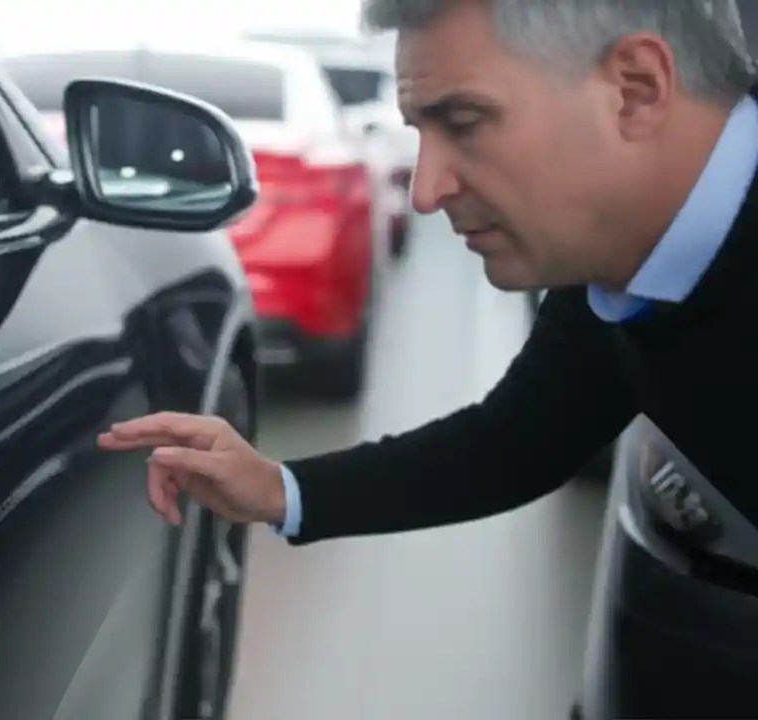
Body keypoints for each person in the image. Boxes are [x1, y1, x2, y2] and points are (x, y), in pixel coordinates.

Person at [98, 0, 758, 549]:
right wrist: (277, 488)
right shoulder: (613, 266)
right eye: (419, 134)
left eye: (465, 123)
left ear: (636, 90)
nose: (425, 190)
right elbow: (519, 441)